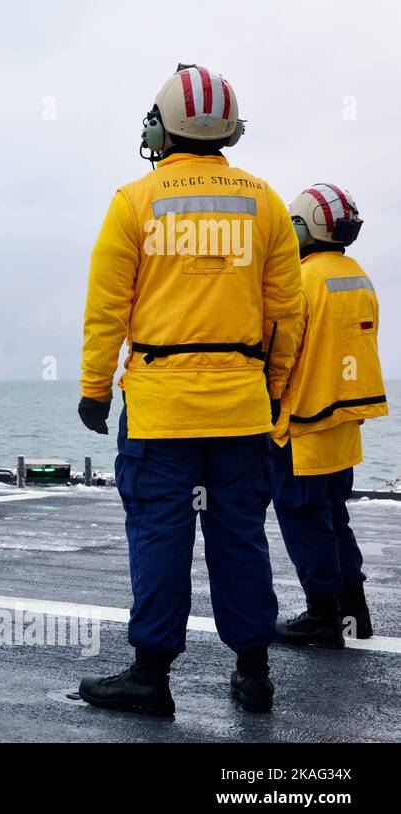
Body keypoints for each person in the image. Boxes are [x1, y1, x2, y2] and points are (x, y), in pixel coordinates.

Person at [76, 64, 305, 717]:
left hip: (159, 411)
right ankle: (254, 673)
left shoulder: (134, 202)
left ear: (162, 123)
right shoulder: (264, 202)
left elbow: (107, 311)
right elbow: (286, 314)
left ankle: (151, 676)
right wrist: (275, 393)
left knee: (160, 539)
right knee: (240, 537)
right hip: (240, 409)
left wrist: (96, 389)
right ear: (229, 127)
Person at [271, 184, 387, 648]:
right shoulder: (357, 275)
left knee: (304, 519)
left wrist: (264, 400)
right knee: (335, 517)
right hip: (345, 427)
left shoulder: (301, 279)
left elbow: (282, 353)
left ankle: (322, 614)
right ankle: (353, 613)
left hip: (303, 423)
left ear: (305, 227)